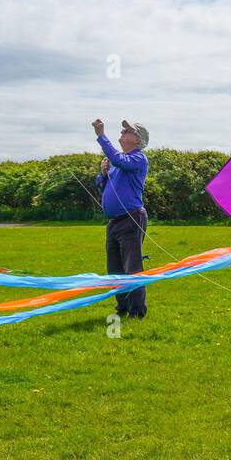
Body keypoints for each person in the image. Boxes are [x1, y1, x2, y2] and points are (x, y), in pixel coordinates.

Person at [93, 118, 151, 319]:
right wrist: (102, 174)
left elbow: (118, 160)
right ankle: (123, 307)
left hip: (131, 218)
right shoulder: (118, 162)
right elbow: (103, 185)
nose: (123, 132)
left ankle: (137, 311)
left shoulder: (138, 158)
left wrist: (101, 136)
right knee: (115, 269)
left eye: (127, 131)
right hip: (114, 222)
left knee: (132, 267)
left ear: (137, 139)